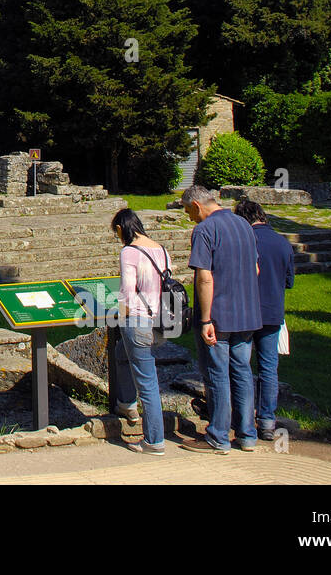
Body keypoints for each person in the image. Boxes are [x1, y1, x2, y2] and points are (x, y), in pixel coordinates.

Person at [178, 185, 261, 454]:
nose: (189, 217)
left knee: (217, 374)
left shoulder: (205, 229)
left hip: (219, 315)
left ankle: (218, 435)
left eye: (188, 211)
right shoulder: (244, 225)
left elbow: (204, 277)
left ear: (197, 206)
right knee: (243, 372)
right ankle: (247, 434)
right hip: (247, 313)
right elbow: (256, 268)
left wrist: (205, 319)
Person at [234, 198, 295, 441]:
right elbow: (289, 281)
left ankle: (245, 419)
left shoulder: (245, 240)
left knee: (242, 366)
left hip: (245, 312)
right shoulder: (282, 242)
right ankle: (267, 421)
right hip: (272, 312)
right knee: (269, 368)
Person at [109, 208, 169, 455]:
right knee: (121, 354)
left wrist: (117, 315)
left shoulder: (129, 252)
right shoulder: (161, 249)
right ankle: (126, 404)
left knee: (148, 383)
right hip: (161, 322)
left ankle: (154, 441)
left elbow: (126, 290)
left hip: (138, 321)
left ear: (121, 229)